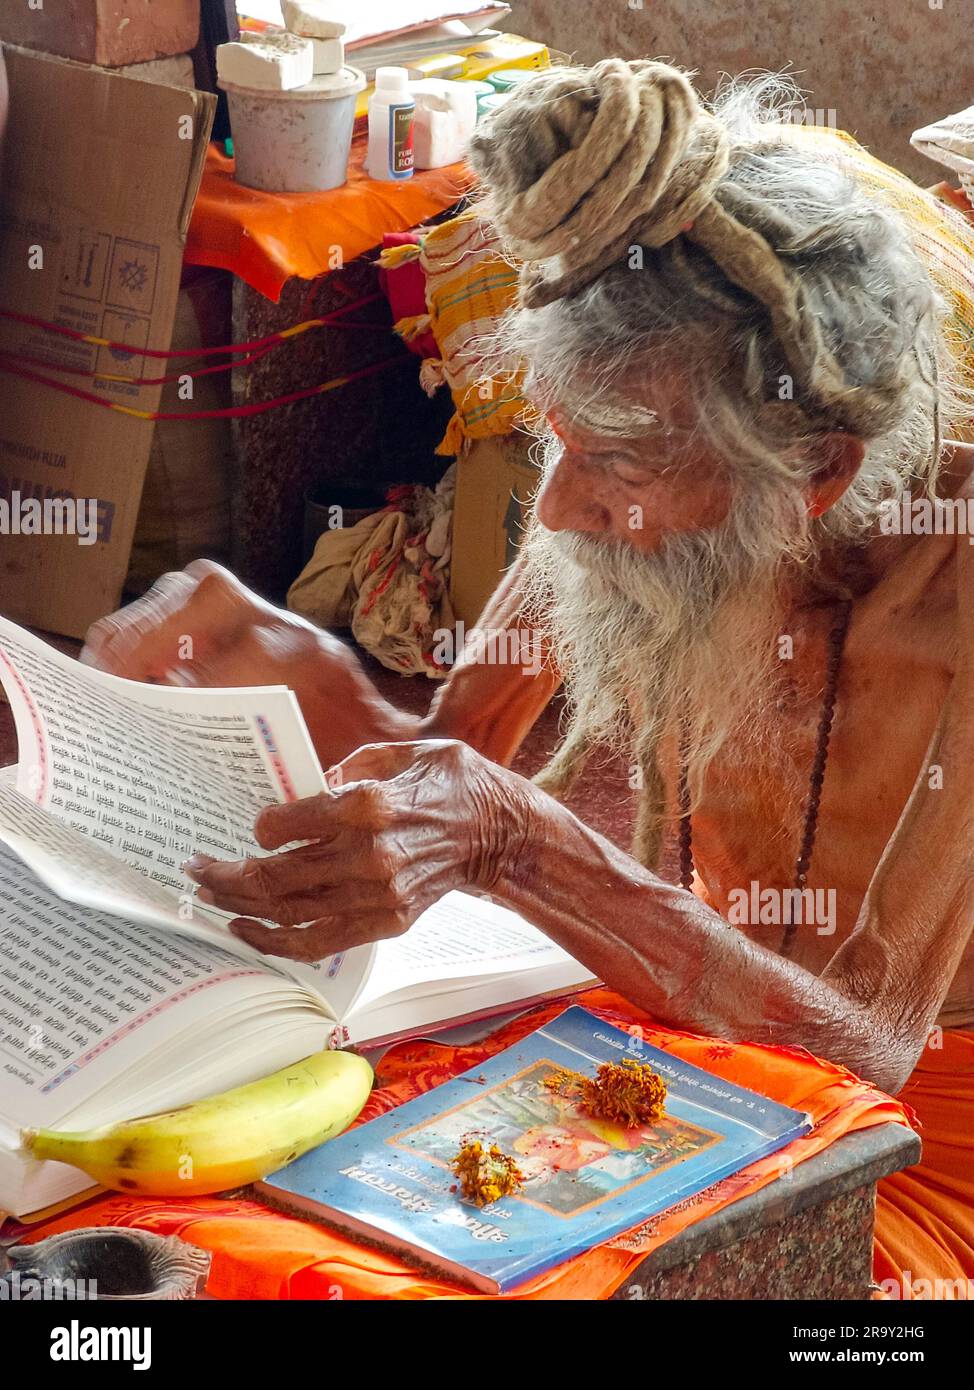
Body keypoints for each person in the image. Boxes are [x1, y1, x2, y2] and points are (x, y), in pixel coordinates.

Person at [83, 61, 974, 1294]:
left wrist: (517, 845)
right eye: (553, 434)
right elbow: (451, 745)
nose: (551, 508)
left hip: (906, 1153)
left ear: (814, 473)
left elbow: (861, 1053)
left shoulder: (953, 608)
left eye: (610, 458)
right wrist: (296, 676)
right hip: (679, 1036)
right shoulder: (610, 490)